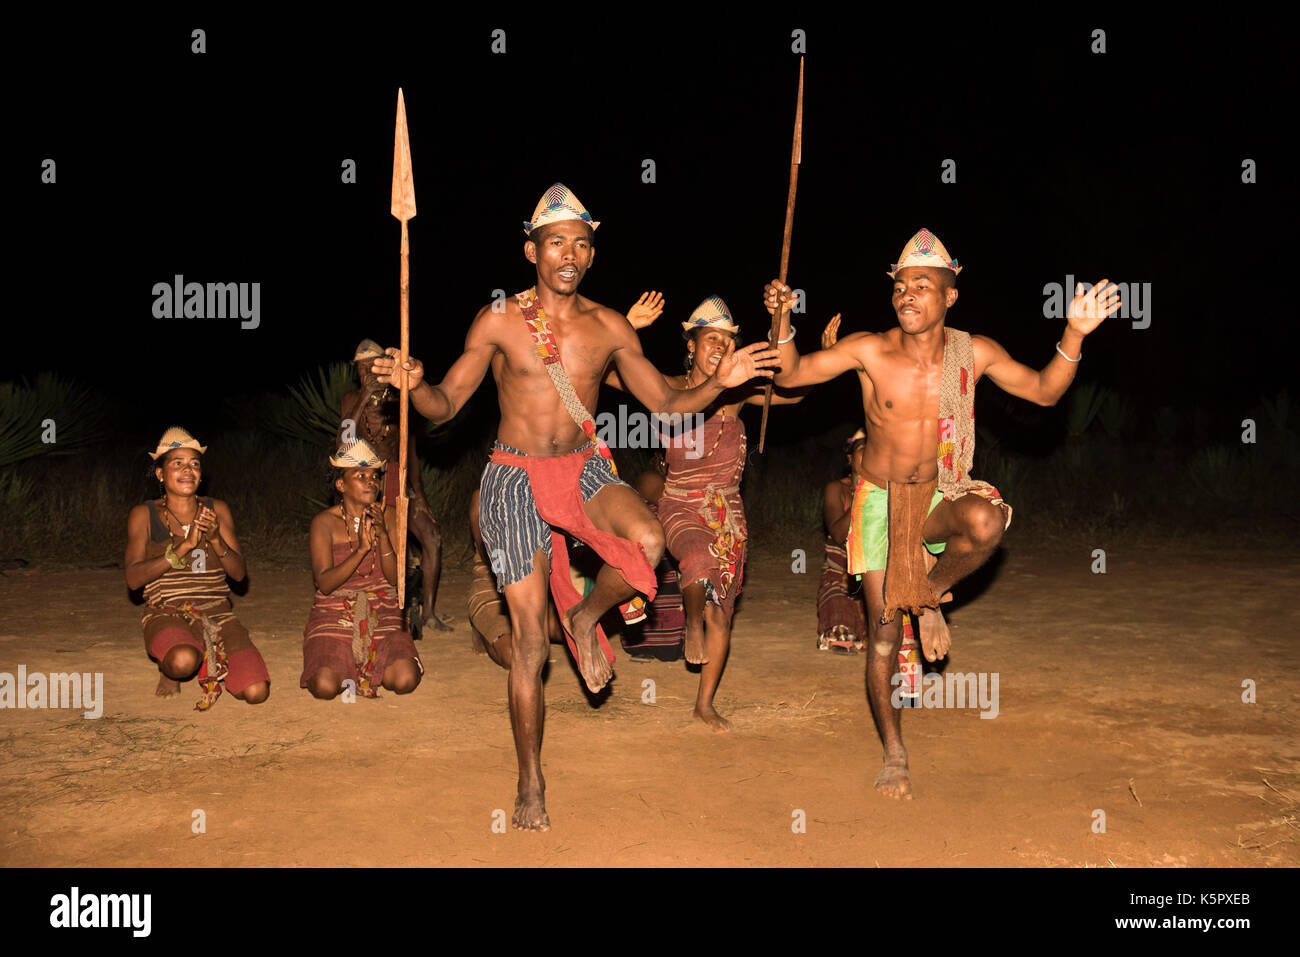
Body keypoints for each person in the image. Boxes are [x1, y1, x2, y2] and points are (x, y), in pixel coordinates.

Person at [371, 184, 778, 829]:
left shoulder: (610, 327)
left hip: (586, 467)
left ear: (592, 254)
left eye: (582, 243)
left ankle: (586, 618)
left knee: (647, 541)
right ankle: (530, 778)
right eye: (556, 241)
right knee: (530, 642)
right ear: (530, 248)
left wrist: (716, 384)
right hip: (514, 476)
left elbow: (668, 407)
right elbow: (445, 408)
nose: (570, 253)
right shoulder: (499, 319)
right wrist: (416, 388)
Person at [764, 227, 1122, 798]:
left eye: (922, 285)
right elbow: (790, 374)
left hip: (938, 495)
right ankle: (895, 752)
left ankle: (926, 596)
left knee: (985, 521)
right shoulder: (868, 349)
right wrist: (782, 321)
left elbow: (1044, 392)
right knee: (883, 637)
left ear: (950, 296)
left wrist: (1073, 334)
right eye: (900, 286)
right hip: (880, 501)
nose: (907, 295)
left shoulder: (972, 353)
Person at [605, 295, 805, 730]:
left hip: (728, 508)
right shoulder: (664, 386)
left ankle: (704, 703)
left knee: (725, 610)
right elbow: (601, 368)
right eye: (710, 338)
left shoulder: (741, 392)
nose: (719, 346)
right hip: (680, 500)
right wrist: (627, 327)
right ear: (691, 345)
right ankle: (690, 625)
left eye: (726, 340)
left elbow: (796, 389)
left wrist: (783, 324)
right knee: (696, 557)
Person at [124, 427, 270, 709]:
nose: (187, 469)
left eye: (194, 464)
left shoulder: (218, 511)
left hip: (216, 612)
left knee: (256, 692)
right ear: (160, 474)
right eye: (177, 463)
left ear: (201, 474)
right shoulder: (144, 514)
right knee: (182, 661)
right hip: (167, 610)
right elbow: (133, 579)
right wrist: (182, 547)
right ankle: (170, 669)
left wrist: (215, 539)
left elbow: (239, 574)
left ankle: (208, 652)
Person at [300, 440, 422, 699]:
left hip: (384, 610)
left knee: (405, 680)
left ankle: (358, 666)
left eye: (375, 476)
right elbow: (325, 583)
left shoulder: (389, 515)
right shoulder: (324, 523)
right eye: (361, 476)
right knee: (324, 686)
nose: (372, 482)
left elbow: (395, 579)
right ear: (341, 485)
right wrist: (361, 549)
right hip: (336, 612)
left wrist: (383, 537)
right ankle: (349, 665)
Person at [342, 340, 448, 637]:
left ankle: (427, 612)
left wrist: (420, 495)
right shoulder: (351, 399)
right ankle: (380, 609)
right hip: (364, 478)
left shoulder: (399, 399)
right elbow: (344, 438)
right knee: (377, 541)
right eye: (361, 370)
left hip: (397, 476)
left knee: (432, 537)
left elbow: (409, 449)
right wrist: (364, 397)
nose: (367, 374)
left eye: (371, 367)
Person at [818, 429, 869, 653]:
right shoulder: (836, 489)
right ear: (849, 458)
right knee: (838, 600)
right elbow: (838, 535)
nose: (868, 454)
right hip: (843, 571)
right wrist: (864, 493)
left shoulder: (888, 487)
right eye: (861, 449)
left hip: (876, 567)